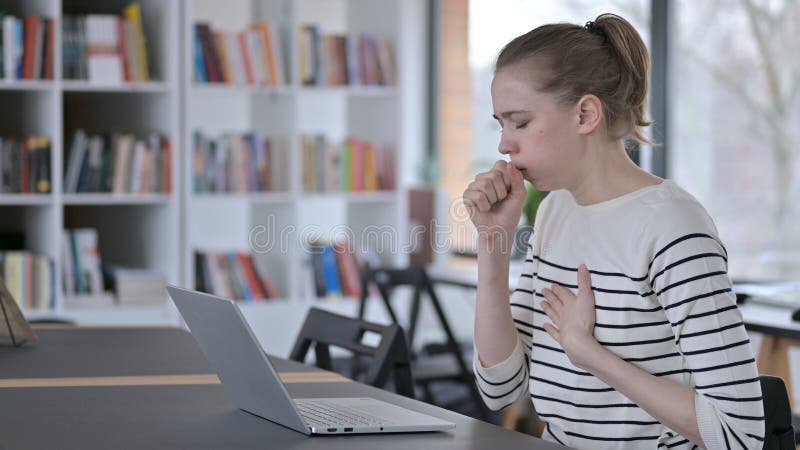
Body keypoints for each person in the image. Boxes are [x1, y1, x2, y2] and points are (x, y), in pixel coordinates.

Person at [464, 13, 764, 450]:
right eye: (501, 124)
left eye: (521, 122)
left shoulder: (672, 226)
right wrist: (494, 245)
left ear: (585, 113)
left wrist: (590, 355)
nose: (504, 145)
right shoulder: (555, 211)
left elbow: (741, 433)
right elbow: (500, 389)